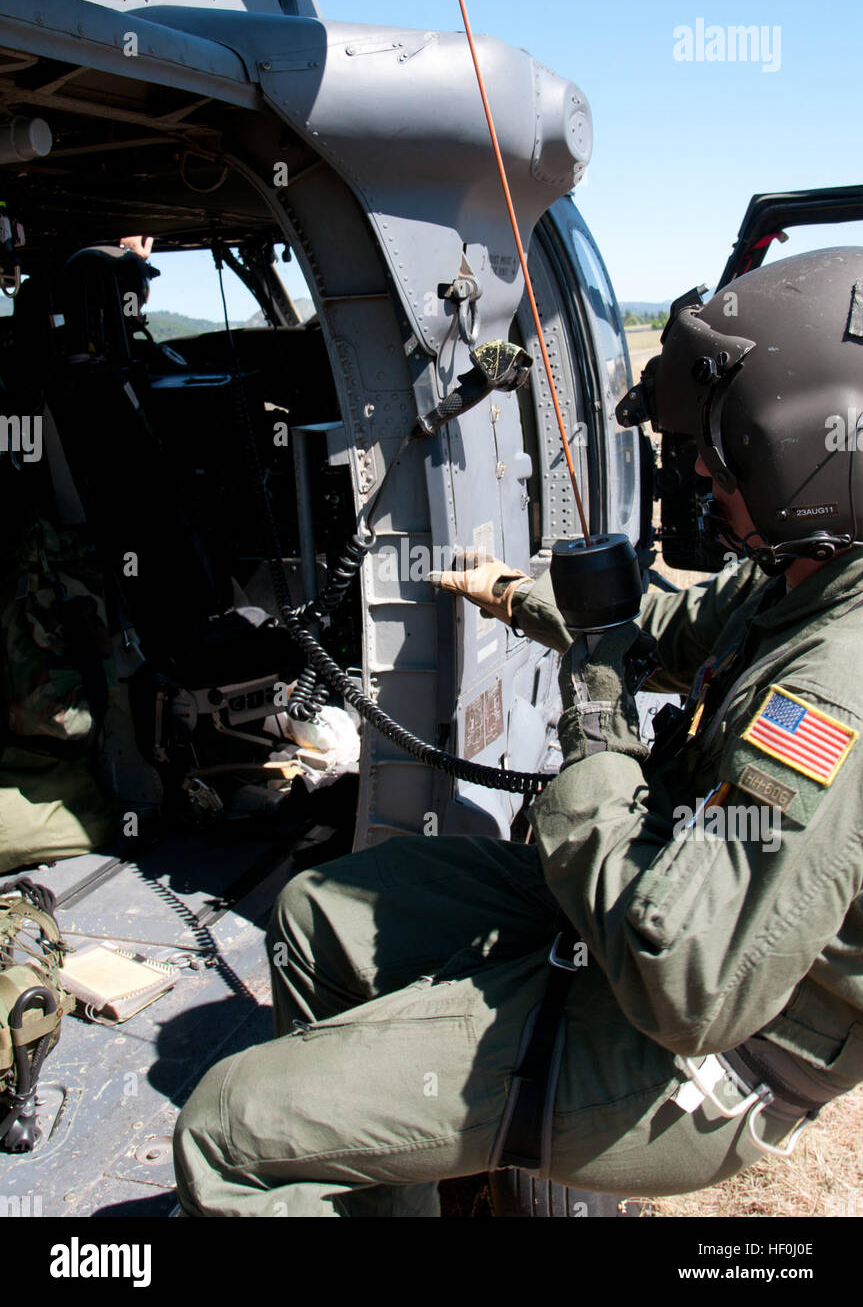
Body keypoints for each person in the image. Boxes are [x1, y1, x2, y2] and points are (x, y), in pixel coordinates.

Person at [173, 246, 863, 1216]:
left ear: (809, 460)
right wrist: (519, 594)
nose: (703, 471)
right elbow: (667, 632)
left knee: (226, 1129)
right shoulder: (810, 574)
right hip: (635, 889)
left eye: (726, 452)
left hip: (699, 1054)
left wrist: (595, 707)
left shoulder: (836, 691)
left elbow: (688, 987)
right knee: (312, 920)